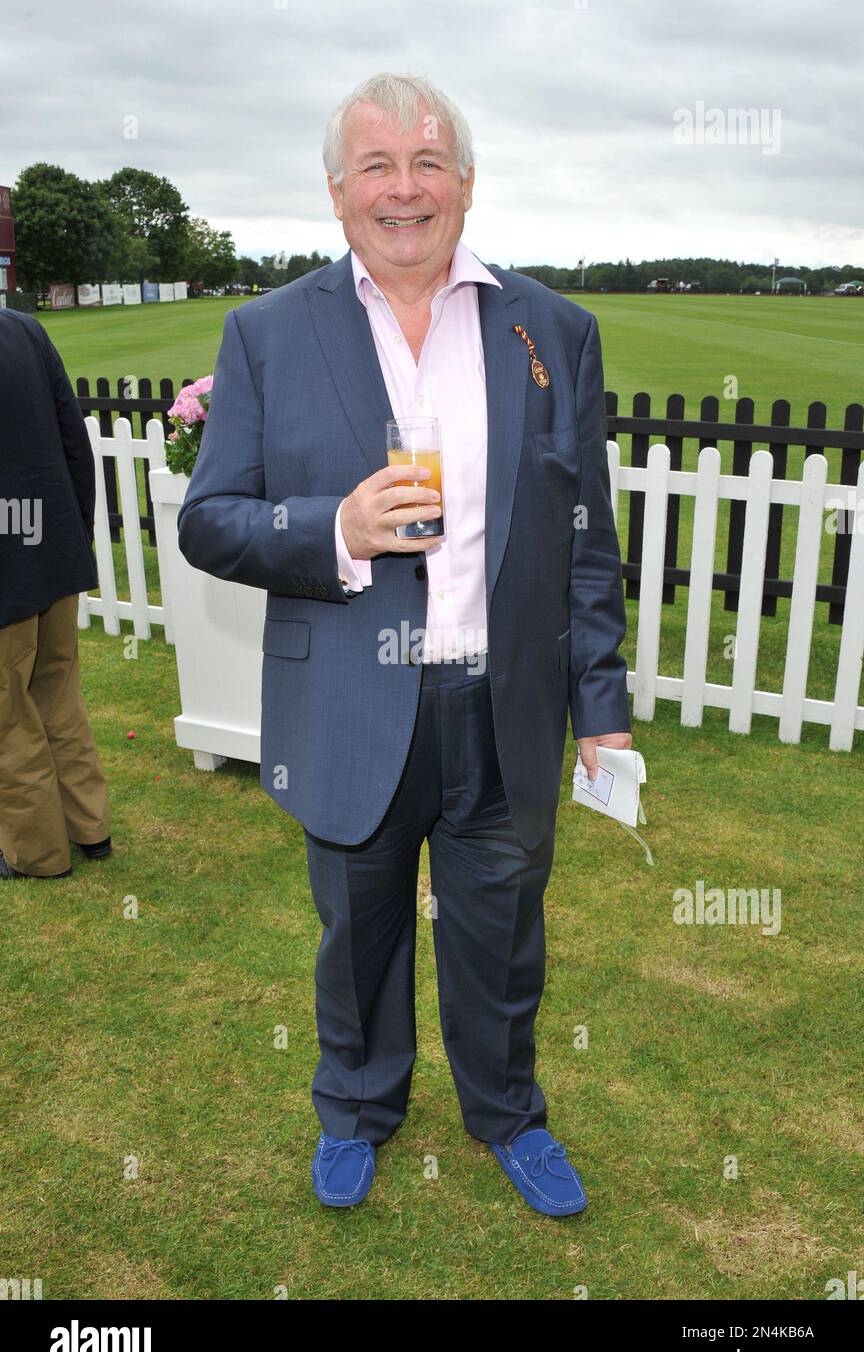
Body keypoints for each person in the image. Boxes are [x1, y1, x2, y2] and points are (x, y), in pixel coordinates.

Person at [177, 72, 631, 1216]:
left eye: (428, 163)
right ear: (338, 192)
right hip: (349, 701)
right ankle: (358, 1105)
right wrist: (335, 527)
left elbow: (586, 544)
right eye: (377, 165)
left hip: (502, 703)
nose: (405, 188)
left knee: (501, 934)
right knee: (359, 935)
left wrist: (603, 706)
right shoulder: (268, 333)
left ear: (466, 183)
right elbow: (210, 517)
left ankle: (507, 1111)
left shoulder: (550, 332)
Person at [0, 308, 111, 879]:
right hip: (51, 544)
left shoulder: (26, 328)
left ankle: (37, 853)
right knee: (56, 693)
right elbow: (76, 440)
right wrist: (75, 533)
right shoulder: (25, 329)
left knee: (8, 715)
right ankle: (90, 827)